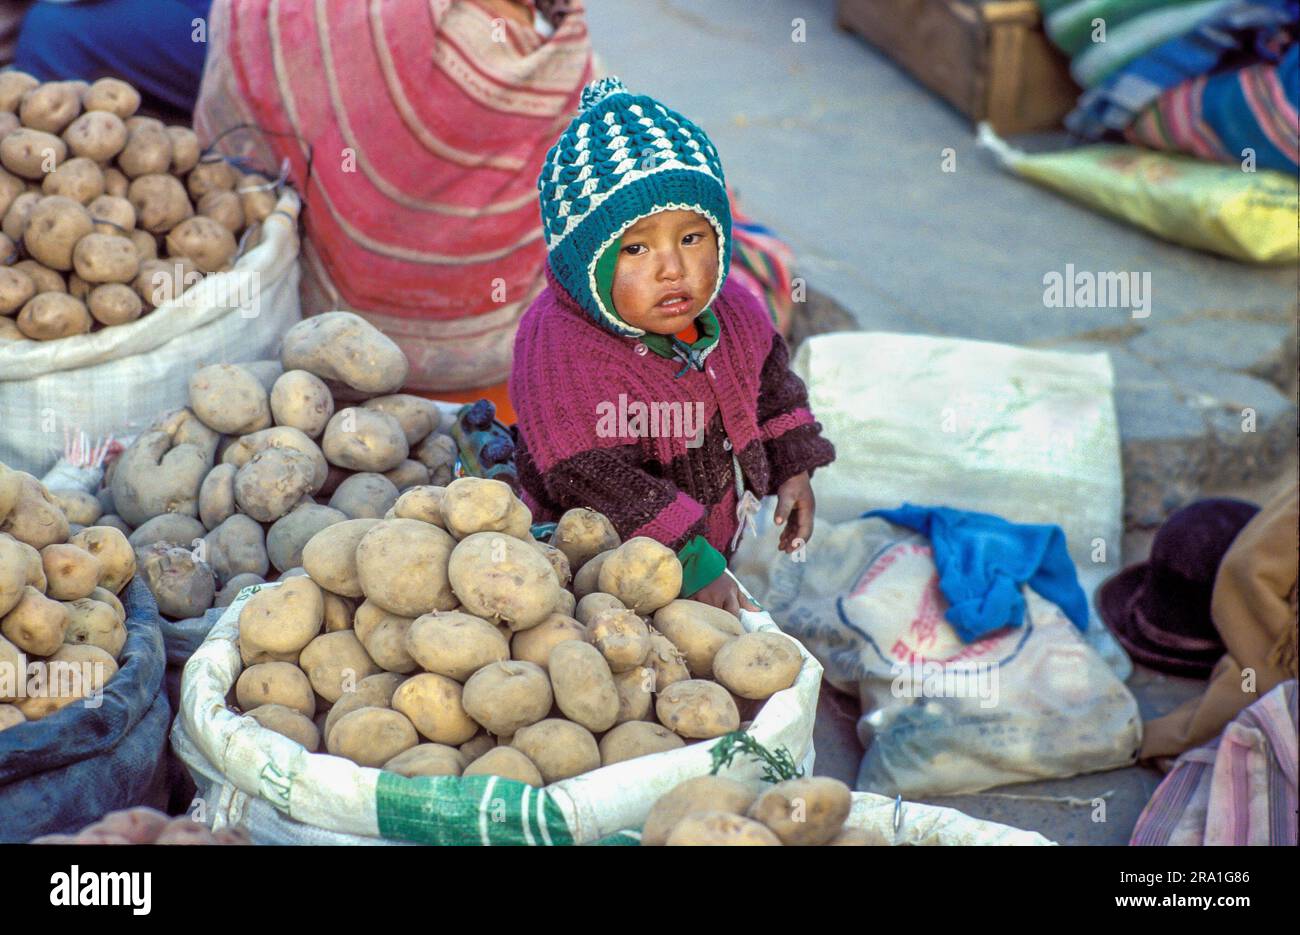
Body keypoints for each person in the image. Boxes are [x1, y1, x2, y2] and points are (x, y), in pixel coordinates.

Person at [509, 76, 836, 614]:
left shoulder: (733, 310)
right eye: (636, 247)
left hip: (711, 544)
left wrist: (792, 464)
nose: (673, 269)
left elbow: (772, 390)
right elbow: (592, 477)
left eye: (692, 237)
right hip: (603, 565)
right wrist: (689, 561)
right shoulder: (562, 352)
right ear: (585, 263)